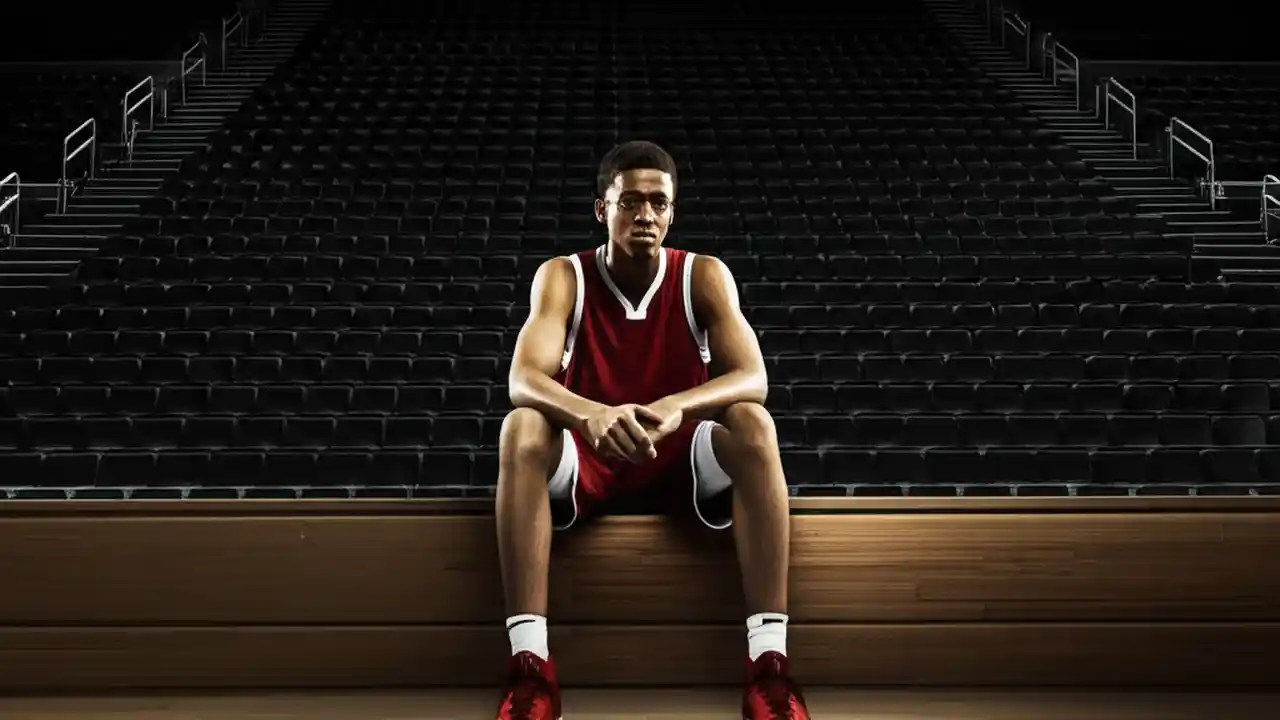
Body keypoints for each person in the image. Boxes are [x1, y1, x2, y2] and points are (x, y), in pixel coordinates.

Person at [493, 140, 811, 720]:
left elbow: (754, 376)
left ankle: (769, 668)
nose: (645, 215)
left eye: (658, 203)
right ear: (602, 209)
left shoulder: (702, 275)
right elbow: (522, 378)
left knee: (753, 423)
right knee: (521, 427)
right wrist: (588, 413)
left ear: (672, 211)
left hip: (679, 456)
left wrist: (677, 407)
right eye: (631, 202)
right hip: (590, 455)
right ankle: (531, 671)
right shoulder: (564, 276)